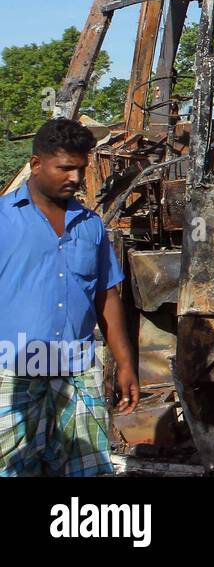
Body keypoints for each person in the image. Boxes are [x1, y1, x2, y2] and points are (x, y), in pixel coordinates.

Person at [0, 117, 139, 477]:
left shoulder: (90, 225)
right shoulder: (3, 221)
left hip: (77, 370)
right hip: (12, 373)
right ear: (35, 165)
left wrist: (124, 364)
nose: (75, 179)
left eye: (80, 169)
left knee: (88, 470)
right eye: (65, 168)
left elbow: (107, 296)